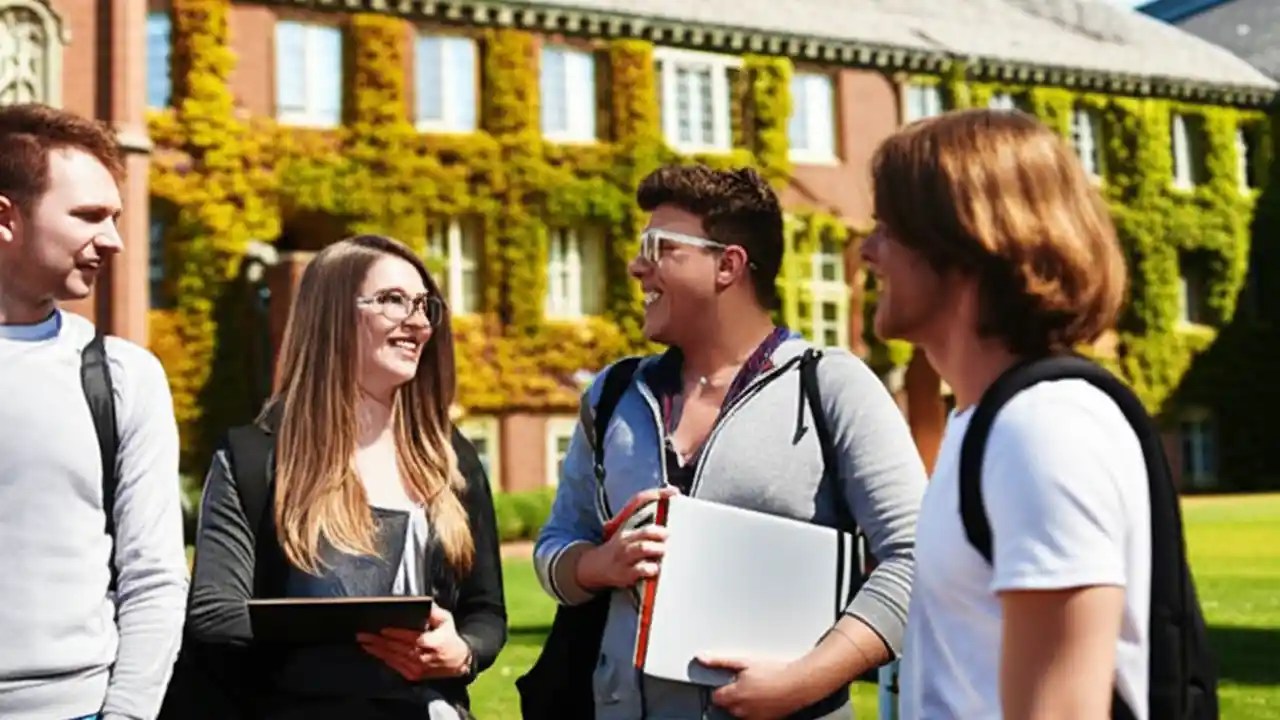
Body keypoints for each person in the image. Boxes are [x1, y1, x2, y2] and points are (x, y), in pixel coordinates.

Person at [533, 164, 928, 719]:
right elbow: (556, 543)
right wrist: (597, 565)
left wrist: (801, 683)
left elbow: (915, 558)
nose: (636, 266)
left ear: (728, 265)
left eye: (659, 247)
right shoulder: (611, 394)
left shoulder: (831, 386)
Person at [863, 109, 1152, 719]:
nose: (867, 252)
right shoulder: (984, 422)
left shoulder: (1042, 429)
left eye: (887, 229)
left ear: (963, 243)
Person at [178, 234, 506, 719]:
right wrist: (368, 627)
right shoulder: (255, 458)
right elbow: (214, 615)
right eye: (393, 301)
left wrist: (465, 652)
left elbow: (485, 611)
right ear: (332, 316)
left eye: (423, 305)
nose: (418, 323)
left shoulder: (449, 457)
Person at [0, 103, 188, 720]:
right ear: (5, 218)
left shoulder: (121, 377)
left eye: (115, 218)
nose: (113, 241)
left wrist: (127, 714)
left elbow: (154, 577)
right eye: (88, 216)